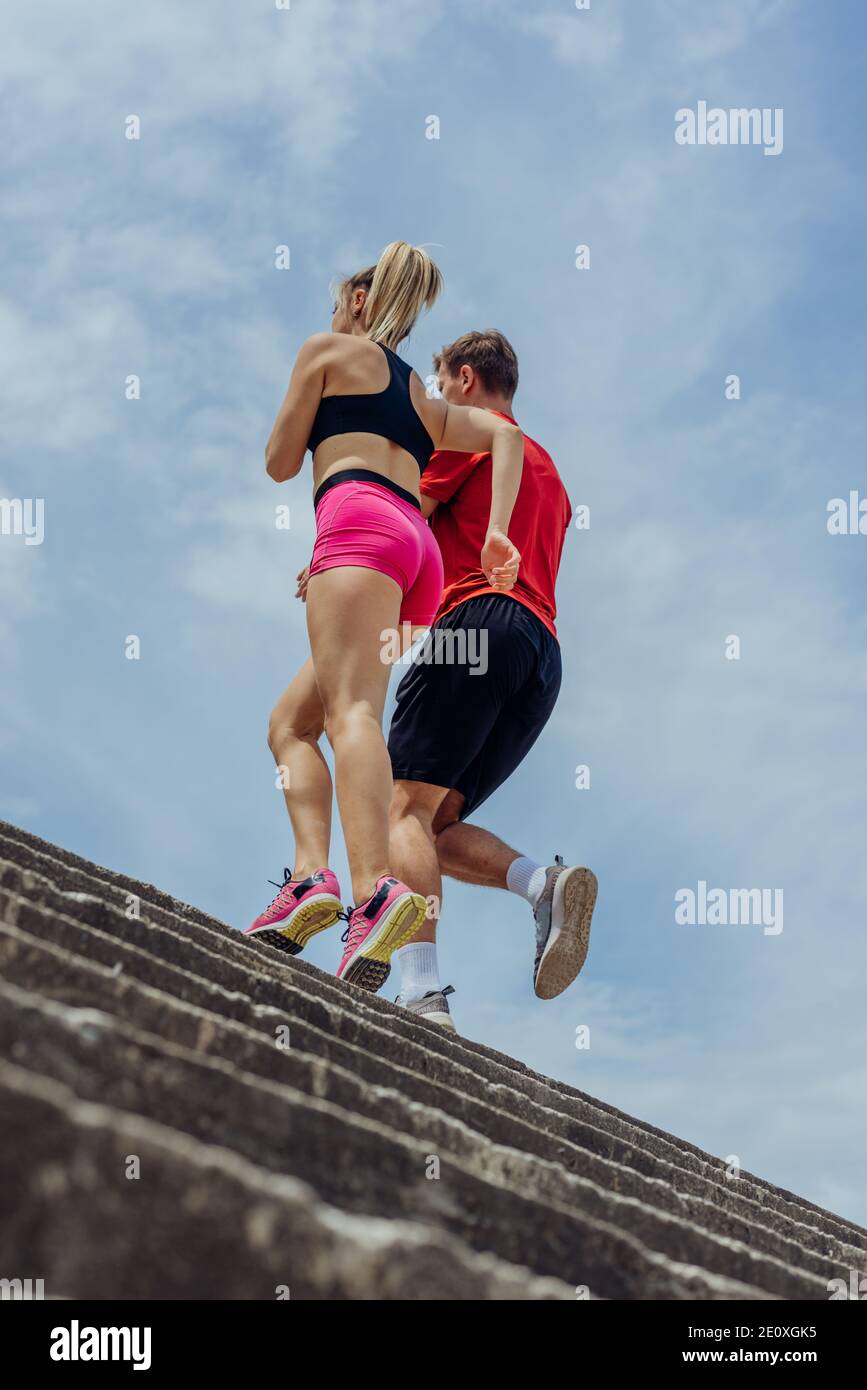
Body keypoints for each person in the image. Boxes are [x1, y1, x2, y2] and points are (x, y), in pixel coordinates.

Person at [245, 245, 524, 994]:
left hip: (358, 524)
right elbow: (505, 435)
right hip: (415, 563)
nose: (332, 316)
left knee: (352, 713)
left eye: (340, 304)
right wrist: (497, 531)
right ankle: (312, 879)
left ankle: (371, 890)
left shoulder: (326, 351)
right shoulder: (425, 402)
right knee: (290, 725)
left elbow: (277, 461)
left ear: (360, 304)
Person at [385, 330, 597, 1031]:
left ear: (467, 379)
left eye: (443, 385)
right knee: (437, 826)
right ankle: (543, 883)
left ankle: (421, 992)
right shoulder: (552, 475)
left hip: (477, 623)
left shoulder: (467, 438)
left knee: (403, 812)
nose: (440, 398)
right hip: (541, 654)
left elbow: (405, 522)